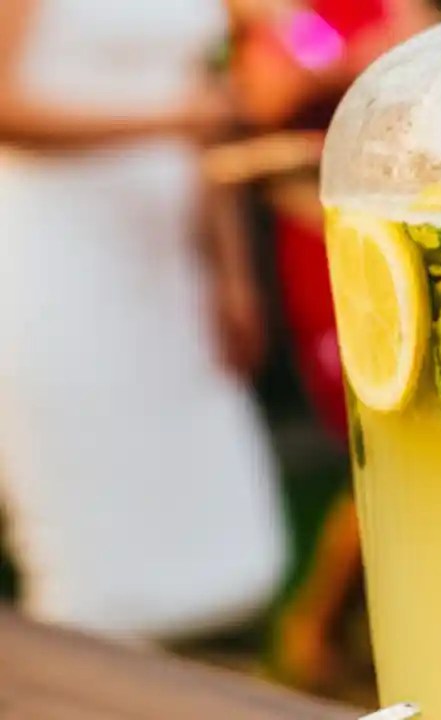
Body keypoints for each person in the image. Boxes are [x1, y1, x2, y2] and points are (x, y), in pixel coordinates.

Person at [0, 0, 286, 641]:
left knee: (209, 539)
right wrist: (172, 120)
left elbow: (204, 107)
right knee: (88, 523)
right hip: (55, 252)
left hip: (166, 261)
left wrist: (230, 271)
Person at [222, 0, 439, 691]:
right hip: (318, 234)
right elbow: (267, 97)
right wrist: (345, 57)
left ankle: (340, 631)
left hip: (390, 224)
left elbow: (430, 60)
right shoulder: (274, 12)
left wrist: (352, 53)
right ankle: (311, 632)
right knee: (366, 437)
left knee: (407, 431)